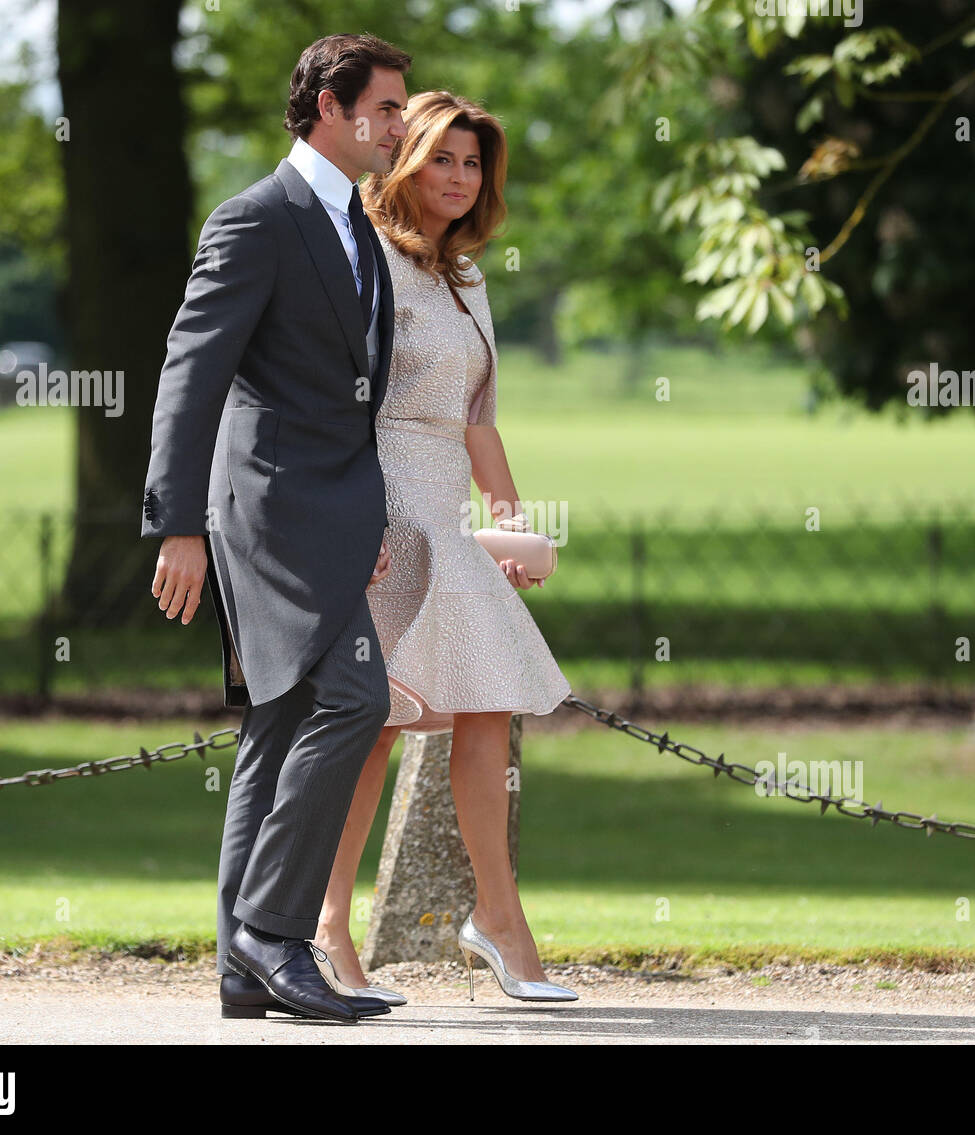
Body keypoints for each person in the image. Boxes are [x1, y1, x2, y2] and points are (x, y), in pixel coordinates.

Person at [140, 34, 413, 1023]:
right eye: (385, 108)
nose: (398, 126)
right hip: (264, 516)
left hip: (335, 513)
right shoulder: (254, 220)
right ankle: (273, 930)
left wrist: (369, 508)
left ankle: (238, 967)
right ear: (332, 109)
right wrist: (175, 524)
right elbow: (190, 372)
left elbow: (353, 400)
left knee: (285, 719)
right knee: (357, 697)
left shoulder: (357, 226)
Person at [309, 91, 576, 1003]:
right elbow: (335, 403)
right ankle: (325, 925)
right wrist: (351, 524)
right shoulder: (363, 257)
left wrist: (507, 520)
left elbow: (478, 419)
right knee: (372, 725)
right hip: (379, 510)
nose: (460, 179)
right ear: (404, 160)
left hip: (447, 519)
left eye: (474, 164)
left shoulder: (469, 281)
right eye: (442, 160)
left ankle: (497, 917)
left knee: (490, 701)